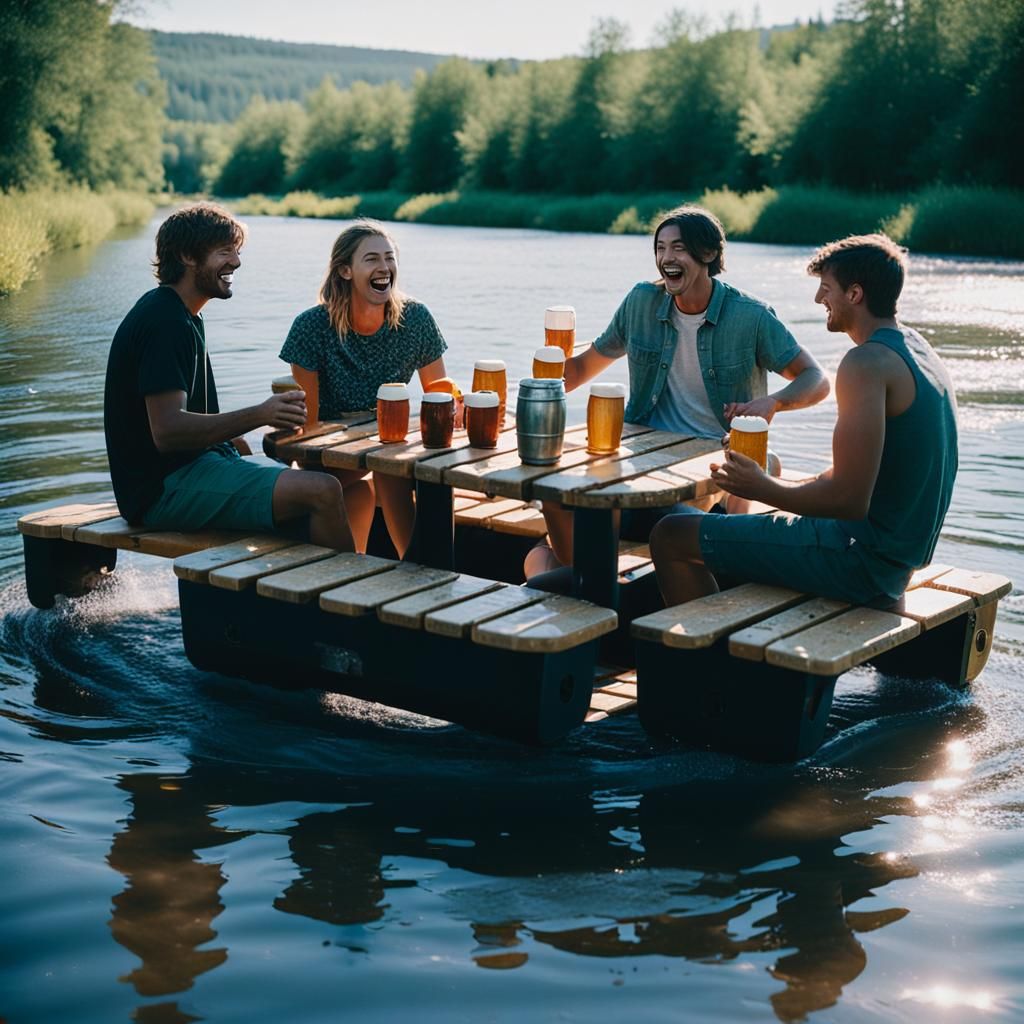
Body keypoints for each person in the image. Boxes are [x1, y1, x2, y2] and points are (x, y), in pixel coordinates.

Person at [650, 233, 958, 609]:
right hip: (893, 558)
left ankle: (707, 663)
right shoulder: (916, 349)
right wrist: (775, 485)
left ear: (855, 294)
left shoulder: (866, 364)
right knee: (735, 529)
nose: (818, 299)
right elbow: (859, 477)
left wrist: (761, 488)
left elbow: (849, 501)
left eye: (826, 289)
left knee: (671, 535)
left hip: (858, 560)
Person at [527, 204, 829, 576]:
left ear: (709, 254)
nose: (666, 257)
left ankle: (727, 531)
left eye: (679, 248)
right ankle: (583, 586)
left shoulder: (750, 316)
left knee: (599, 539)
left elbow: (817, 379)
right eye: (660, 248)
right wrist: (549, 358)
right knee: (551, 535)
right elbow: (575, 374)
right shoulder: (641, 302)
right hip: (641, 454)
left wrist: (773, 402)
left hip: (712, 460)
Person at [104, 202, 354, 551]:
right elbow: (168, 432)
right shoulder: (165, 322)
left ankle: (281, 595)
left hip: (188, 471)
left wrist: (235, 442)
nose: (236, 262)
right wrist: (260, 414)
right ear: (187, 256)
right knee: (322, 491)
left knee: (325, 483)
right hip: (161, 490)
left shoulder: (183, 314)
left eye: (236, 251)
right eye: (225, 252)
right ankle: (343, 603)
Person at [280, 221, 450, 557]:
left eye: (390, 258)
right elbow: (307, 429)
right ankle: (396, 569)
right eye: (371, 259)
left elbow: (439, 395)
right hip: (329, 459)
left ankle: (420, 570)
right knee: (367, 484)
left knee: (390, 469)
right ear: (345, 270)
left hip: (391, 447)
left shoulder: (415, 318)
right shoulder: (310, 327)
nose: (384, 267)